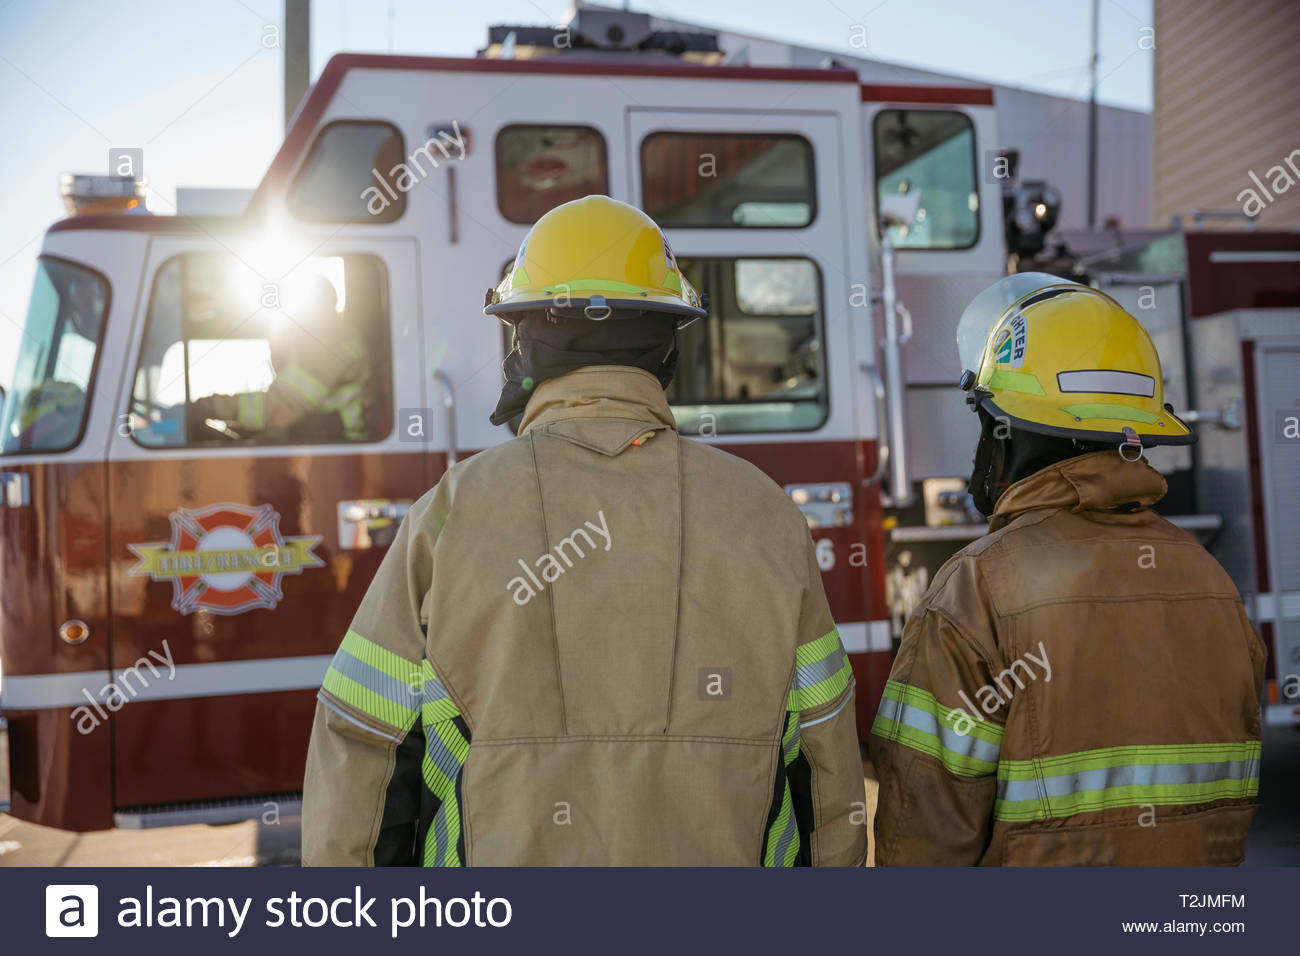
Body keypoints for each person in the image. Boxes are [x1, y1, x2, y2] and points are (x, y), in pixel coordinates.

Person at [301, 195, 866, 866]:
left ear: (526, 341)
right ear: (665, 345)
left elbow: (363, 748)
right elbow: (826, 764)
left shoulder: (449, 514)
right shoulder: (765, 513)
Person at [869, 273, 1265, 866]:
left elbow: (922, 835)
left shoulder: (976, 592)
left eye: (989, 421)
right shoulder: (1212, 584)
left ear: (1016, 434)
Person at [196, 276, 367, 441]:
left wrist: (212, 407)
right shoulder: (324, 339)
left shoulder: (330, 342)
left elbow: (284, 403)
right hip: (327, 445)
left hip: (337, 451)